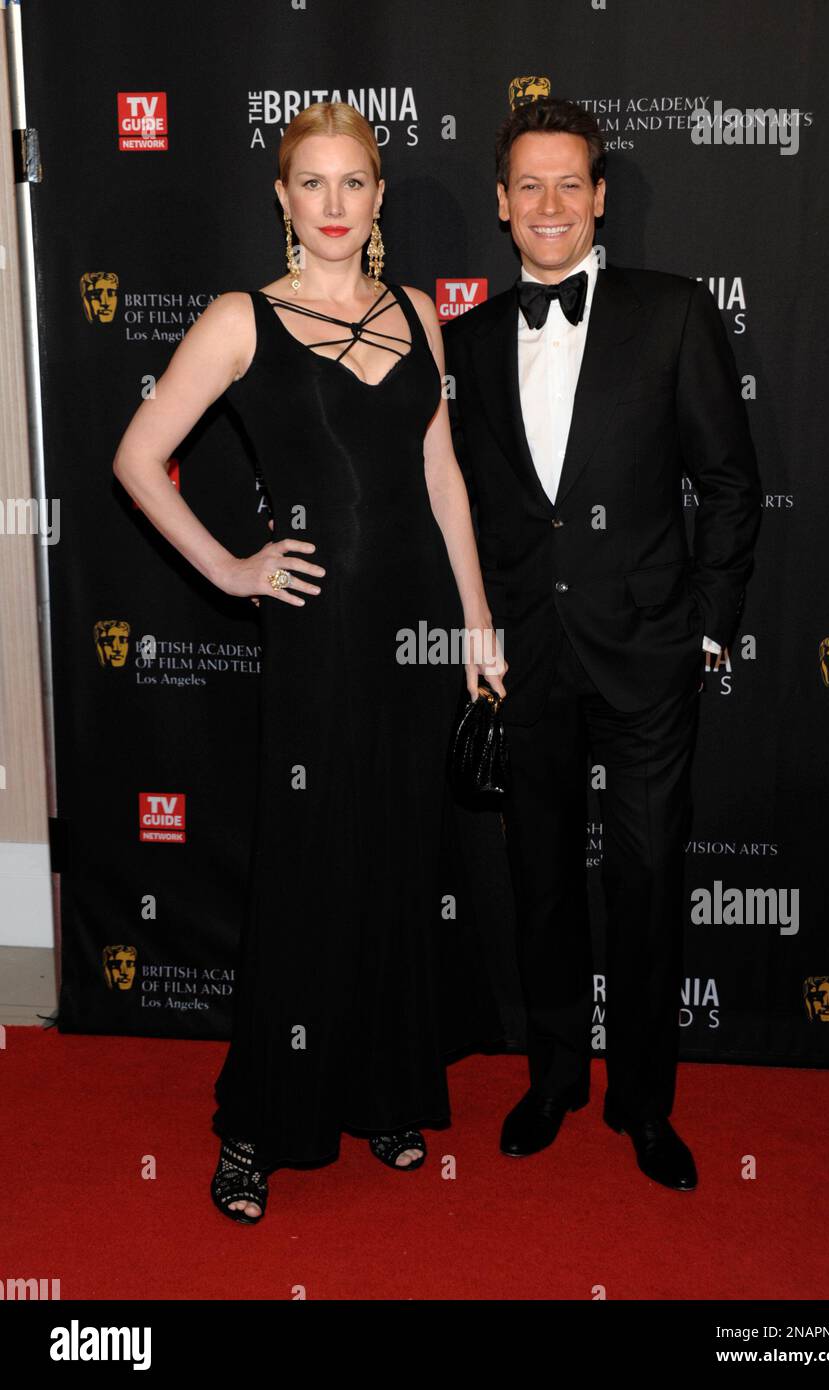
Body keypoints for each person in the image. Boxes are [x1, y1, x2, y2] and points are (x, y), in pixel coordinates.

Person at [112, 101, 506, 1223]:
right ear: (282, 201)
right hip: (318, 639)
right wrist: (233, 569)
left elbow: (441, 479)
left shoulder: (420, 315)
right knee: (304, 874)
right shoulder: (242, 320)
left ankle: (379, 1086)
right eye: (312, 185)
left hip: (415, 634)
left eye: (354, 184)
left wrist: (476, 621)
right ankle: (255, 1124)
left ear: (378, 200)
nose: (335, 205)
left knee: (394, 862)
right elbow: (138, 458)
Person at [443, 97, 762, 1192]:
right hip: (528, 660)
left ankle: (643, 1102)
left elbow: (728, 486)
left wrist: (706, 634)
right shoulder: (471, 341)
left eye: (568, 183)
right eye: (527, 184)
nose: (548, 205)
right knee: (536, 884)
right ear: (498, 202)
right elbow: (468, 511)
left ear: (600, 195)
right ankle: (550, 1081)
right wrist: (477, 630)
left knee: (643, 880)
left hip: (646, 655)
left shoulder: (672, 312)